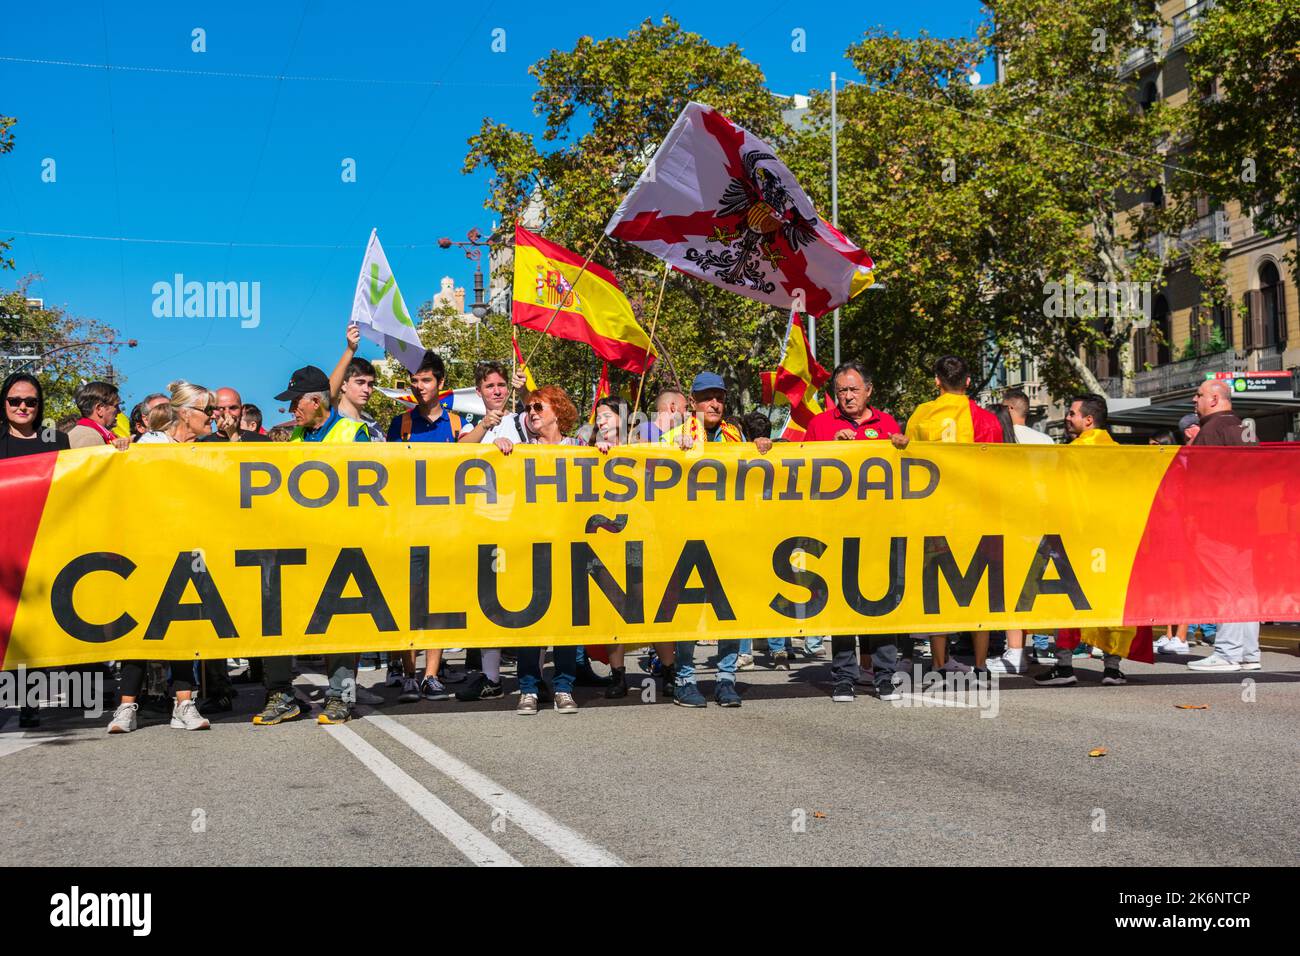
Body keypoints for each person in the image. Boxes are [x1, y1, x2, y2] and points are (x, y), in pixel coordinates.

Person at [252, 366, 371, 728]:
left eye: (295, 404)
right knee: (276, 615)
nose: (292, 412)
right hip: (296, 545)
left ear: (316, 401)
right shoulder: (295, 438)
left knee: (340, 623)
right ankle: (281, 695)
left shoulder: (354, 433)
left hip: (339, 545)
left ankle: (341, 698)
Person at [107, 388, 217, 734]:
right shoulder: (149, 444)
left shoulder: (202, 449)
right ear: (185, 413)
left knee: (181, 625)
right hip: (146, 547)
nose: (212, 416)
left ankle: (184, 704)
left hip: (186, 547)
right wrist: (118, 452)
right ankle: (126, 707)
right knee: (142, 626)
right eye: (206, 410)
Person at [662, 372, 771, 709]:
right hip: (688, 537)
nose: (714, 404)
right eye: (707, 397)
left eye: (719, 398)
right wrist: (674, 457)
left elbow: (755, 479)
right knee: (688, 612)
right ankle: (684, 679)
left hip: (729, 536)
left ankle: (726, 678)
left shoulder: (736, 438)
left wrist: (763, 450)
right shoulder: (673, 438)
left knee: (730, 610)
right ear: (692, 402)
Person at [892, 356, 1000, 681]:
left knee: (935, 588)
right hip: (976, 516)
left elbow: (907, 464)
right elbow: (999, 470)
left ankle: (940, 664)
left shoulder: (922, 415)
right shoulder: (987, 420)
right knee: (979, 590)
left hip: (933, 515)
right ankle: (980, 666)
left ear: (937, 381)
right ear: (968, 382)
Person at [804, 362, 905, 702]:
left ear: (869, 391)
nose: (847, 396)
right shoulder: (820, 425)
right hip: (836, 529)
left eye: (853, 390)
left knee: (881, 605)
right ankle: (844, 677)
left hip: (879, 529)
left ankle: (885, 675)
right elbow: (801, 471)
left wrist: (905, 446)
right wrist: (830, 447)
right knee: (844, 607)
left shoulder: (888, 424)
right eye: (841, 391)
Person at [1035, 394, 1131, 687]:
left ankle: (1064, 667)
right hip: (1113, 539)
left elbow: (1057, 496)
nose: (1067, 417)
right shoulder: (1121, 454)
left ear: (1088, 420)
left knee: (1068, 601)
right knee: (1111, 603)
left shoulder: (1071, 453)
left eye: (1072, 413)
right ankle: (1112, 668)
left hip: (1074, 538)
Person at [454, 360, 530, 704]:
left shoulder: (520, 420)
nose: (497, 391)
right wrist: (486, 430)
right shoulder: (472, 424)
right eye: (490, 386)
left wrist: (525, 387)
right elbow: (458, 455)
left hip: (525, 523)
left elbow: (538, 412)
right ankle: (491, 677)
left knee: (531, 600)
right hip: (487, 526)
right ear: (479, 391)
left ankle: (533, 676)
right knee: (491, 604)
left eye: (502, 385)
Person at [1185, 379, 1261, 673]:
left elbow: (1200, 482)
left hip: (1218, 524)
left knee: (1224, 586)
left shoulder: (1211, 431)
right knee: (1245, 588)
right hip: (1247, 522)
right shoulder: (1244, 428)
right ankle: (1249, 653)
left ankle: (1228, 652)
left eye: (1200, 395)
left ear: (1215, 399)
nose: (1195, 400)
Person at [516, 386, 582, 715]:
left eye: (539, 406)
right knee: (532, 621)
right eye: (529, 409)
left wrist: (606, 449)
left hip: (569, 546)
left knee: (565, 622)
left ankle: (564, 687)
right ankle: (528, 688)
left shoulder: (578, 448)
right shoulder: (519, 450)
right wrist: (501, 451)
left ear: (558, 410)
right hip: (533, 548)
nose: (532, 413)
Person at [387, 348, 459, 443]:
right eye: (414, 381)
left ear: (440, 383)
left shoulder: (460, 426)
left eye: (426, 380)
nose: (419, 387)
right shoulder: (398, 424)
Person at [330, 325, 384, 440]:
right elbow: (329, 393)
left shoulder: (375, 426)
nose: (366, 389)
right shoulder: (332, 416)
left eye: (370, 384)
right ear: (343, 385)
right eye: (360, 382)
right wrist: (350, 350)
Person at [2, 372, 70, 459]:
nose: (23, 407)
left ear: (39, 405)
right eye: (15, 401)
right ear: (4, 403)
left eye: (30, 402)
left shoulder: (58, 440)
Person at [67, 381, 130, 450]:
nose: (119, 411)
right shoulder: (90, 437)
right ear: (99, 409)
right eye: (116, 406)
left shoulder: (87, 433)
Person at [200, 387, 269, 442]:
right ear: (212, 411)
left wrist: (232, 433)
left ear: (242, 410)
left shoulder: (261, 441)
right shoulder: (203, 444)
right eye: (220, 408)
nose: (227, 414)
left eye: (233, 408)